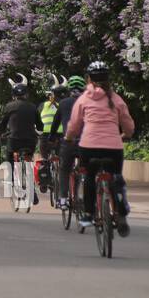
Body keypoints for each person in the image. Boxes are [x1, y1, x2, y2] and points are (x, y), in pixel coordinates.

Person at [65, 62, 135, 235]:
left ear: (88, 79)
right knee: (116, 179)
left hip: (89, 147)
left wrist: (68, 137)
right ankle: (121, 214)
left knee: (89, 177)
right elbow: (128, 124)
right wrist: (126, 134)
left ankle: (88, 214)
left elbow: (74, 125)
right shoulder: (116, 99)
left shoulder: (83, 99)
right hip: (113, 147)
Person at [0, 78, 43, 204]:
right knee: (29, 161)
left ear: (13, 95)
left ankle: (11, 181)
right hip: (30, 141)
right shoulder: (33, 107)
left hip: (14, 140)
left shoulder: (9, 106)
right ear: (26, 95)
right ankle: (32, 192)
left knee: (9, 157)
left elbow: (3, 124)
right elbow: (40, 126)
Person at [52, 76, 86, 208]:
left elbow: (55, 123)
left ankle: (63, 199)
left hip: (69, 141)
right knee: (86, 169)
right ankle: (84, 197)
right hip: (86, 142)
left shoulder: (64, 103)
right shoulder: (88, 102)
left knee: (64, 169)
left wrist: (51, 137)